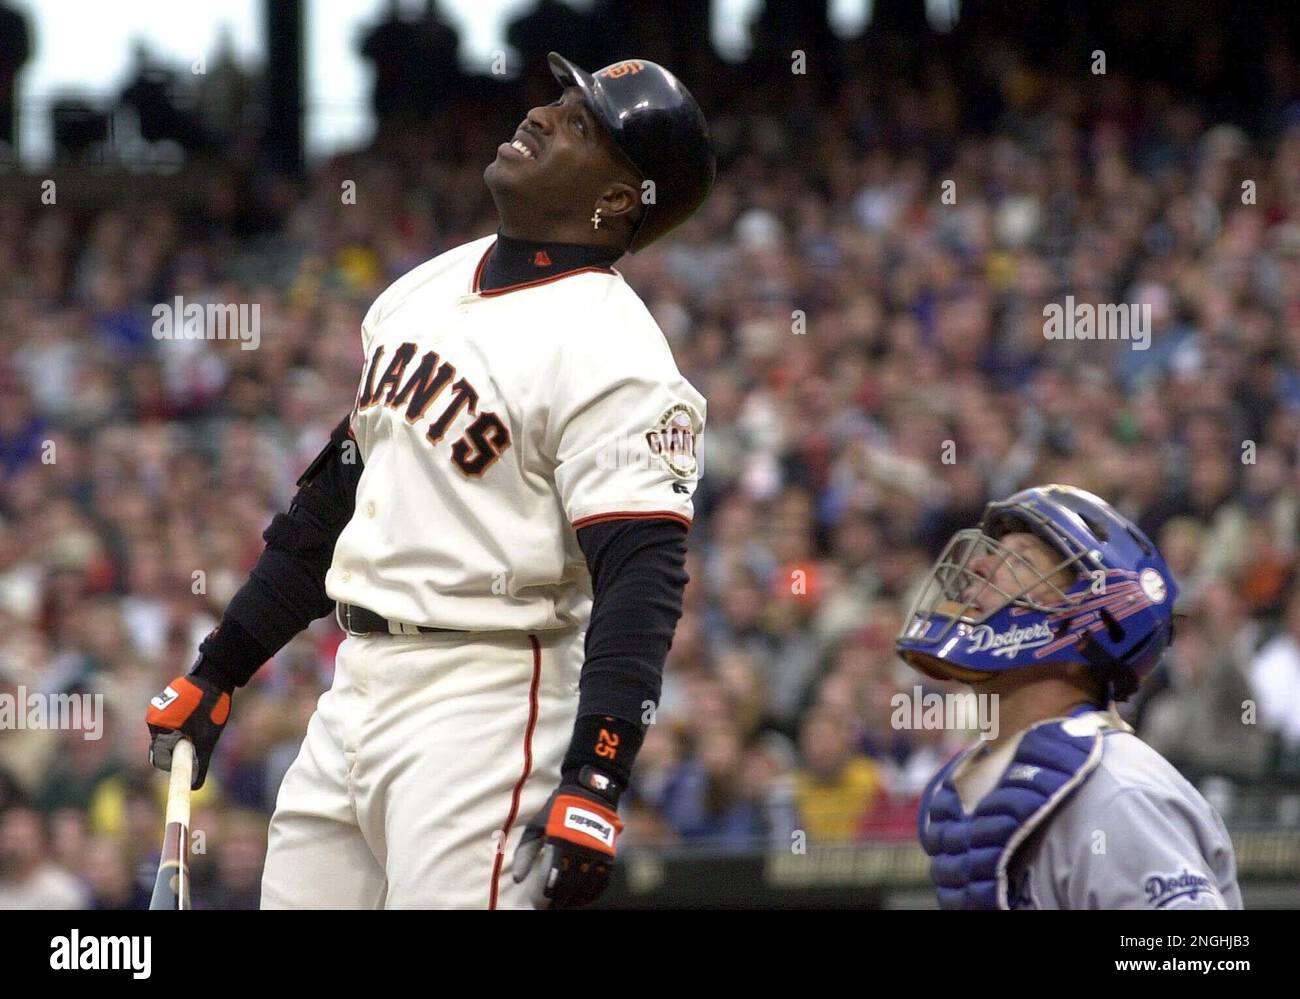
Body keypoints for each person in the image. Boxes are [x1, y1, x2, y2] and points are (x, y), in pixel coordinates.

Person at [145, 52, 715, 909]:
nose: (543, 116)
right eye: (559, 100)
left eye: (582, 123)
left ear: (618, 198)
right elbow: (335, 502)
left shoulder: (618, 351)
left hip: (487, 702)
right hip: (355, 688)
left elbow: (641, 575)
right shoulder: (426, 287)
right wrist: (220, 666)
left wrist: (597, 777)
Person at [895, 484, 1242, 910]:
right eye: (994, 551)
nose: (983, 566)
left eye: (1020, 558)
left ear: (1091, 618)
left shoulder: (1121, 793)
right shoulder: (987, 772)